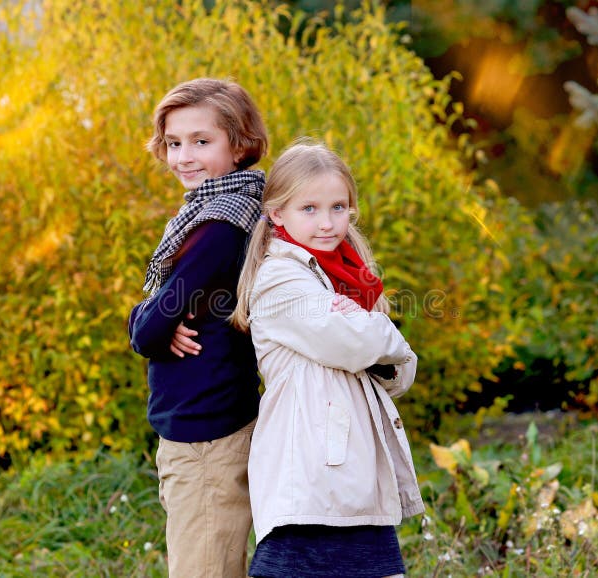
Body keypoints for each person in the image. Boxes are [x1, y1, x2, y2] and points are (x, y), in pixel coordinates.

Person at [230, 140, 425, 578]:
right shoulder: (280, 278)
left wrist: (372, 332)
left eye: (338, 207)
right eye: (310, 209)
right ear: (278, 214)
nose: (327, 223)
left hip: (353, 481)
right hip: (312, 479)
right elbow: (354, 342)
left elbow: (396, 371)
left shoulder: (345, 279)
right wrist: (376, 332)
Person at [128, 77, 268, 578]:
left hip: (206, 435)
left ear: (240, 143)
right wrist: (152, 318)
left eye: (201, 141)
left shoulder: (218, 227)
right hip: (207, 422)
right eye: (173, 142)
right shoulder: (223, 209)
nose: (184, 156)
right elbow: (156, 315)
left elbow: (148, 333)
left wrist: (149, 322)